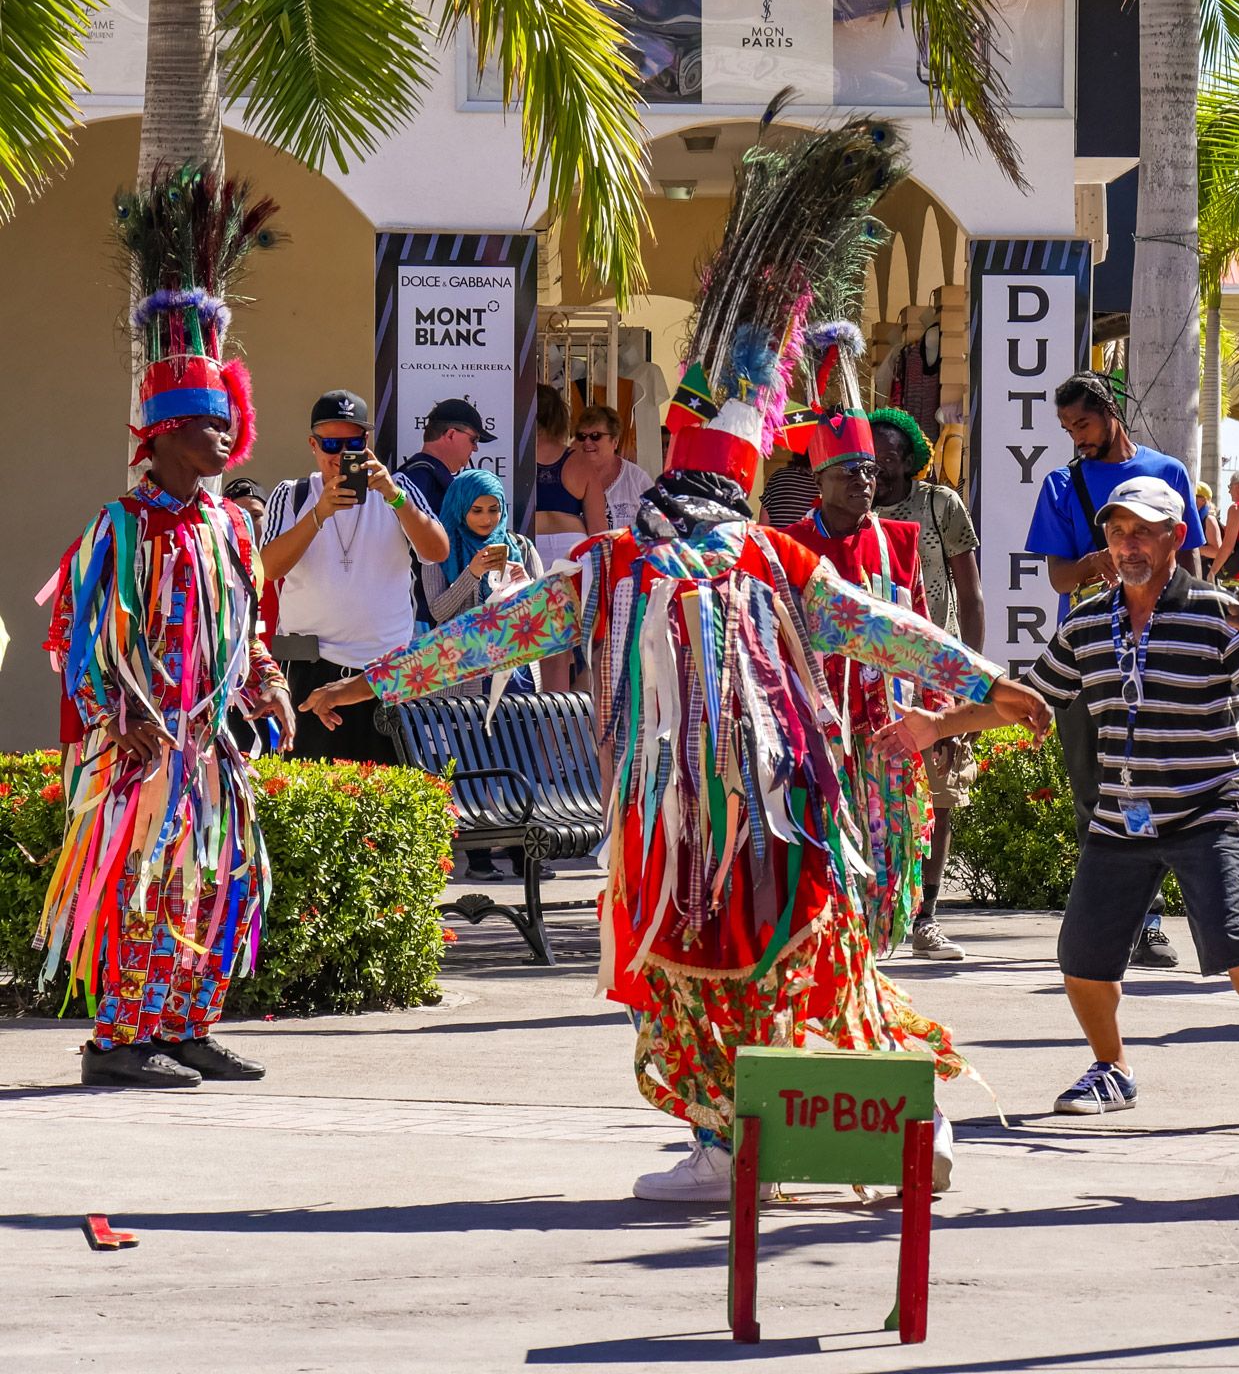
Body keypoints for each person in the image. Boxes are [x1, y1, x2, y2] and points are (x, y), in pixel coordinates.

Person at [297, 113, 1051, 1203]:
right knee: (807, 953)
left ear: (676, 475)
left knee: (700, 971)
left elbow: (480, 634)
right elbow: (882, 628)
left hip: (678, 821)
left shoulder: (618, 561)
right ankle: (873, 1124)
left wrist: (366, 680)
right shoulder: (771, 556)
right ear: (739, 483)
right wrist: (984, 681)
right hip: (784, 807)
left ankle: (740, 1139)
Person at [889, 476, 1239, 1128]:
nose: (1127, 543)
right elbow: (1029, 699)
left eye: (1142, 531)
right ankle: (1113, 1070)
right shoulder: (1086, 625)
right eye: (1116, 532)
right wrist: (937, 726)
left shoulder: (1213, 615)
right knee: (1082, 954)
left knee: (1227, 935)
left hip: (1207, 803)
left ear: (1176, 538)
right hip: (1124, 811)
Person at [41, 168, 294, 1088]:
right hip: (142, 744)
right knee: (145, 885)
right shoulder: (123, 527)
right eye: (202, 424)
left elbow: (246, 624)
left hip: (211, 740)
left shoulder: (229, 526)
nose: (223, 437)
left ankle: (187, 1023)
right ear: (161, 434)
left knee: (215, 882)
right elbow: (82, 636)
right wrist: (122, 714)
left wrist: (264, 678)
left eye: (227, 421)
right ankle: (117, 1042)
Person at [1024, 371, 1206, 971]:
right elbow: (1057, 579)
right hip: (1091, 656)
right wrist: (1095, 561)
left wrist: (1207, 641)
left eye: (1083, 423)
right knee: (1091, 788)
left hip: (1163, 650)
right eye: (1067, 428)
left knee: (1159, 780)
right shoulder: (1061, 484)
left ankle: (1149, 923)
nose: (1076, 437)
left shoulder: (1168, 472)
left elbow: (1193, 566)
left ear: (1110, 412)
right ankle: (1111, 919)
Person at [784, 396, 938, 961]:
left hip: (886, 728)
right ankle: (825, 961)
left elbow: (919, 627)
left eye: (871, 471)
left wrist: (938, 710)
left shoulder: (899, 541)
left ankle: (868, 960)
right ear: (819, 479)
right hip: (815, 733)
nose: (864, 481)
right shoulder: (790, 546)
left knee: (887, 861)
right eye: (849, 471)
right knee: (823, 854)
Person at [260, 391, 449, 763]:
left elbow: (436, 552)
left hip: (385, 672)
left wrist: (393, 496)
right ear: (313, 445)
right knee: (307, 800)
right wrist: (319, 514)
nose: (341, 455)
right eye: (331, 443)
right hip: (309, 669)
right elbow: (269, 568)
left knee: (389, 799)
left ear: (368, 444)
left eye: (353, 443)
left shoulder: (400, 490)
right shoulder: (293, 494)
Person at [871, 406, 985, 961]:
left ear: (911, 459)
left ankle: (926, 916)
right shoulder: (850, 511)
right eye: (869, 459)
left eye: (889, 459)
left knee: (939, 797)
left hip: (935, 673)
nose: (878, 470)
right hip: (871, 678)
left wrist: (972, 684)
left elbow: (971, 596)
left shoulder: (941, 507)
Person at [419, 468, 547, 882]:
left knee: (520, 765)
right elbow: (439, 613)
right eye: (477, 510)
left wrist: (520, 584)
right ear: (460, 509)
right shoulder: (440, 550)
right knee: (475, 764)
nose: (487, 520)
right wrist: (472, 574)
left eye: (494, 510)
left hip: (519, 675)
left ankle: (523, 853)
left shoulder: (521, 547)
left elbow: (543, 608)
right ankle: (477, 857)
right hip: (469, 676)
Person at [396, 397, 497, 629]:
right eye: (474, 439)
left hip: (445, 615)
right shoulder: (413, 480)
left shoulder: (431, 479)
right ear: (451, 434)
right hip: (421, 617)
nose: (476, 448)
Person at [534, 383, 605, 691]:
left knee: (534, 642)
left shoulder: (514, 456)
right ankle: (565, 723)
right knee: (573, 647)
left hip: (532, 549)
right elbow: (599, 528)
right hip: (573, 552)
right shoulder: (579, 461)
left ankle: (538, 724)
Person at [573, 403, 655, 530]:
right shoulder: (567, 476)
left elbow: (657, 525)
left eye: (596, 436)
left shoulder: (636, 479)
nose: (587, 442)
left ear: (615, 441)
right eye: (582, 436)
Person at [757, 446, 819, 528]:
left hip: (776, 539)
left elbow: (763, 525)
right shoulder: (820, 484)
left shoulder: (777, 476)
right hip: (804, 540)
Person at [1193, 481, 1224, 579]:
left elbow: (1217, 552)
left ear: (1203, 500)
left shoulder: (1209, 519)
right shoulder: (1195, 517)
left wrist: (1192, 549)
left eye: (1194, 496)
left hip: (1205, 572)